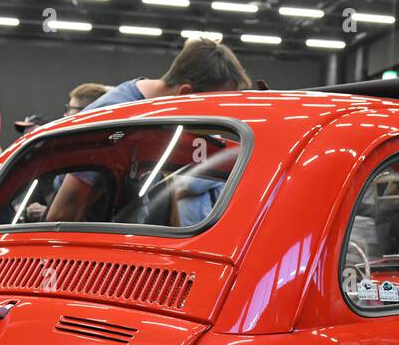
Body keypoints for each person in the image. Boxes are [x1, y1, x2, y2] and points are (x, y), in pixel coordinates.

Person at [45, 39, 250, 223]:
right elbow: (63, 213)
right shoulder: (118, 118)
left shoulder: (154, 116)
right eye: (210, 108)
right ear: (185, 93)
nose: (212, 119)